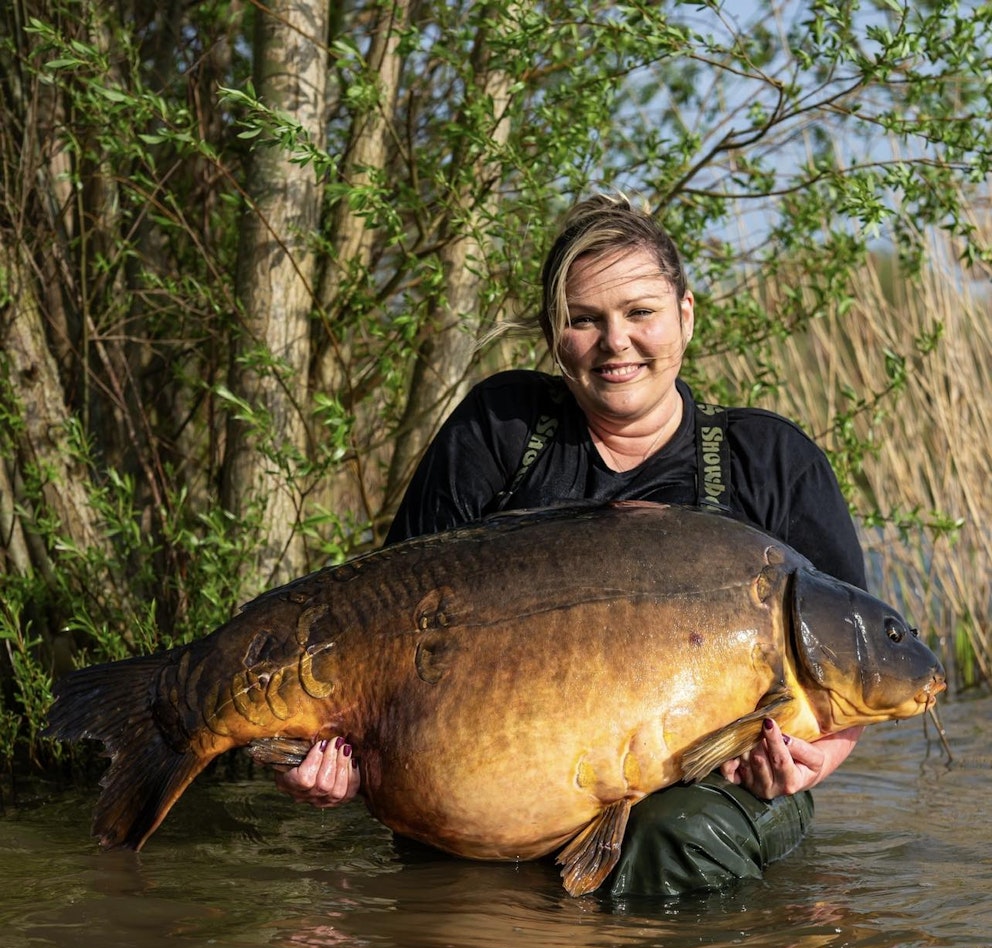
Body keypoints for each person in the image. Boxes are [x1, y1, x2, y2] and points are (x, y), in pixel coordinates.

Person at [274, 195, 867, 897]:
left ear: (686, 313)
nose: (616, 341)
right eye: (584, 320)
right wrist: (322, 752)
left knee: (674, 837)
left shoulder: (769, 461)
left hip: (700, 796)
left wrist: (808, 761)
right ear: (555, 337)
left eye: (640, 313)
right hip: (488, 792)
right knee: (445, 905)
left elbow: (856, 670)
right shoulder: (502, 430)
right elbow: (383, 620)